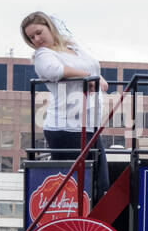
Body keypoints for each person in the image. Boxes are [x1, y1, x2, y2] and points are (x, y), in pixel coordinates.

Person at [20, 11, 110, 193]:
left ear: (49, 28)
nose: (36, 39)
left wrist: (98, 78)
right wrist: (88, 77)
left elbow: (92, 65)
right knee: (80, 187)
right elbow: (54, 71)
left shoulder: (72, 47)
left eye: (39, 32)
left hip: (88, 127)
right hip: (65, 128)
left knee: (101, 185)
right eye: (31, 37)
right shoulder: (43, 55)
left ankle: (90, 221)